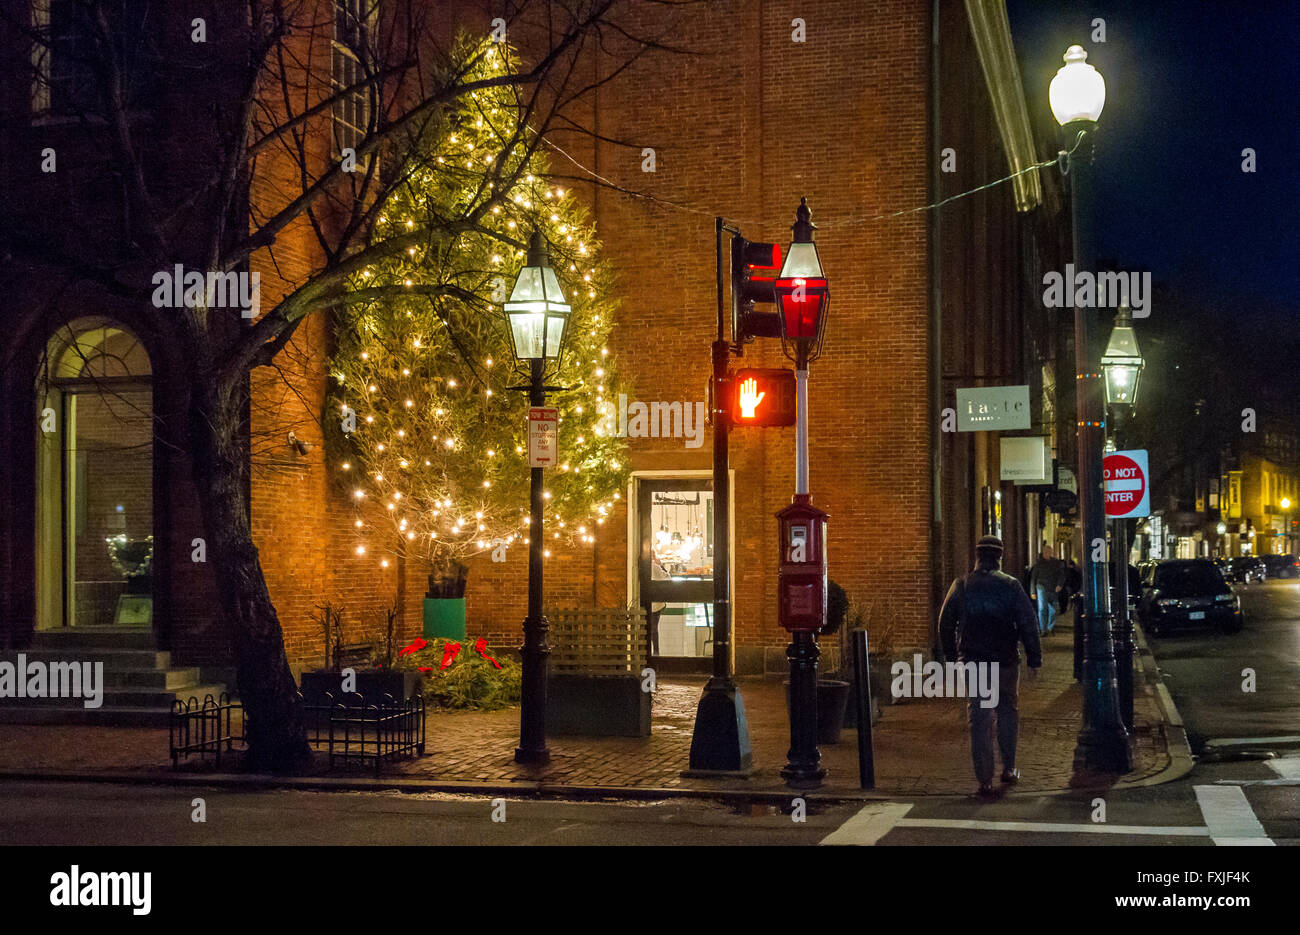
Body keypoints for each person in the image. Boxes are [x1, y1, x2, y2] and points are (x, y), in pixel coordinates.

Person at [939, 535, 1043, 797]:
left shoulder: (961, 585)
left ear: (976, 556)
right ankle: (1008, 768)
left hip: (974, 661)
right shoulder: (1011, 585)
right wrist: (1034, 659)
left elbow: (945, 623)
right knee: (1008, 711)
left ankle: (984, 778)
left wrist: (952, 658)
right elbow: (1028, 623)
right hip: (1006, 660)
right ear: (999, 557)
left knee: (980, 717)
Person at [1028, 544, 1066, 635]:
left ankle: (1050, 627)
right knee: (1042, 608)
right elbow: (1034, 578)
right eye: (1046, 552)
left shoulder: (1056, 563)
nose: (1047, 554)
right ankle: (1043, 629)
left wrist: (1059, 585)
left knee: (1053, 609)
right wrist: (1033, 591)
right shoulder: (1039, 564)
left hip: (1053, 588)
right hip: (1041, 587)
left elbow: (1062, 575)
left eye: (1049, 552)